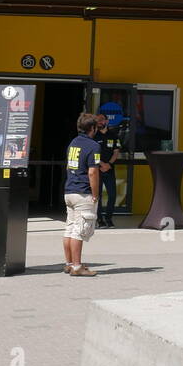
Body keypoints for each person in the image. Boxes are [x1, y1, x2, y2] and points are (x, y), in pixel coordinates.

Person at [63, 113, 101, 277]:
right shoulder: (94, 146)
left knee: (70, 229)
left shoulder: (73, 143)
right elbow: (93, 172)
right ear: (92, 128)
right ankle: (78, 267)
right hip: (83, 192)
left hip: (70, 190)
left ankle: (69, 264)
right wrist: (95, 194)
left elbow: (68, 166)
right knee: (79, 231)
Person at [94, 112, 122, 227]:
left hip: (109, 170)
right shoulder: (94, 136)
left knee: (112, 195)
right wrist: (101, 164)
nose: (100, 122)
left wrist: (109, 164)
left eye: (101, 119)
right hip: (97, 169)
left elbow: (116, 152)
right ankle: (100, 220)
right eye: (97, 120)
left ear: (107, 121)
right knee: (98, 195)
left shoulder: (113, 135)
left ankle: (109, 218)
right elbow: (92, 153)